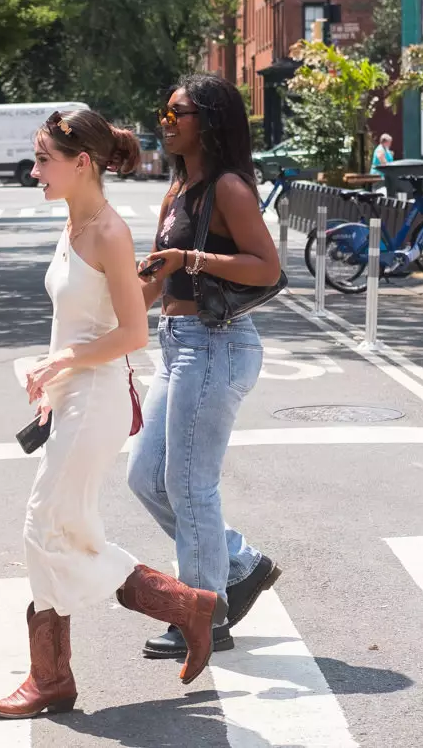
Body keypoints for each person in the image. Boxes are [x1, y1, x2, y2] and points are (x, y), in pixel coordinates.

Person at [0, 109, 228, 720]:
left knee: (44, 529)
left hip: (96, 401)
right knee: (65, 533)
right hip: (71, 393)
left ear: (82, 163)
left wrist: (63, 361)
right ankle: (180, 609)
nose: (35, 170)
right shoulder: (73, 223)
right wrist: (48, 374)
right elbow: (76, 318)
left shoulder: (109, 232)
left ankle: (57, 674)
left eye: (44, 160)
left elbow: (133, 333)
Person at [127, 74, 283, 661]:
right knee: (146, 476)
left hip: (216, 342)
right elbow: (155, 278)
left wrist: (193, 257)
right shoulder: (177, 191)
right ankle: (238, 564)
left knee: (190, 484)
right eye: (163, 112)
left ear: (209, 120)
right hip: (175, 342)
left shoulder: (229, 189)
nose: (165, 121)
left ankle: (204, 615)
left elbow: (266, 268)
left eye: (177, 112)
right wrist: (109, 328)